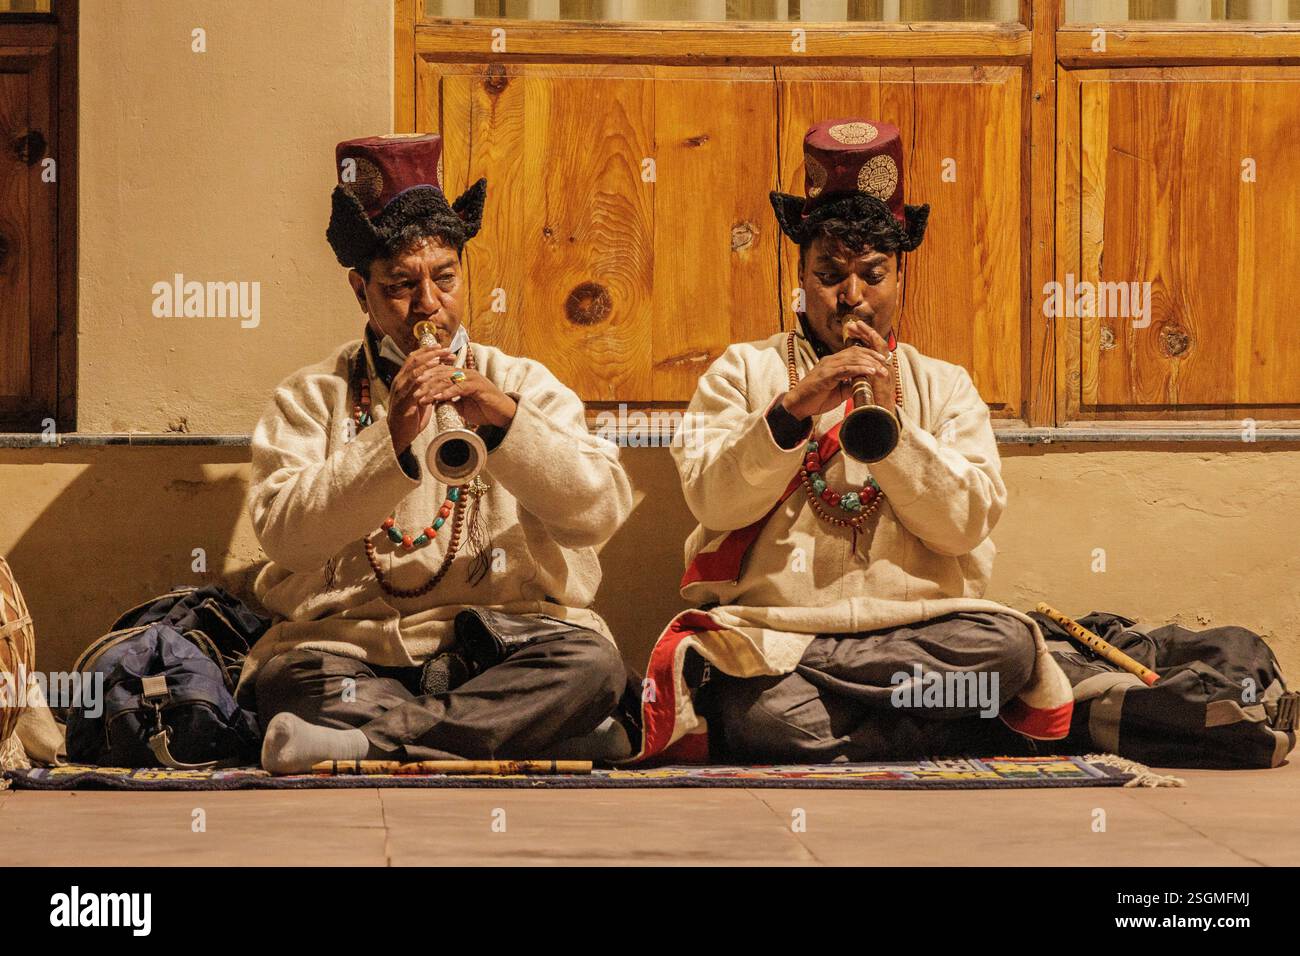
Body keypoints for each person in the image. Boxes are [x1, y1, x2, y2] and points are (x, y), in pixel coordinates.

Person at [631, 119, 1071, 764]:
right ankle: (936, 730)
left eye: (873, 274)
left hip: (919, 630)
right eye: (829, 273)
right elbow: (713, 505)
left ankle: (844, 727)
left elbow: (965, 528)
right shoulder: (741, 371)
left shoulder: (943, 384)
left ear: (900, 278)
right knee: (768, 715)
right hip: (786, 635)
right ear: (802, 275)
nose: (853, 299)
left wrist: (895, 433)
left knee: (1002, 645)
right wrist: (794, 408)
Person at [241, 133, 634, 772]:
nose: (429, 304)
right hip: (355, 654)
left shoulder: (524, 383)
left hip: (507, 646)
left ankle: (366, 746)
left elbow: (598, 512)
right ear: (358, 289)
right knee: (290, 682)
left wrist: (507, 424)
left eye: (444, 277)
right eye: (400, 283)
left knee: (591, 666)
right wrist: (385, 439)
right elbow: (287, 540)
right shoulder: (311, 396)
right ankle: (528, 738)